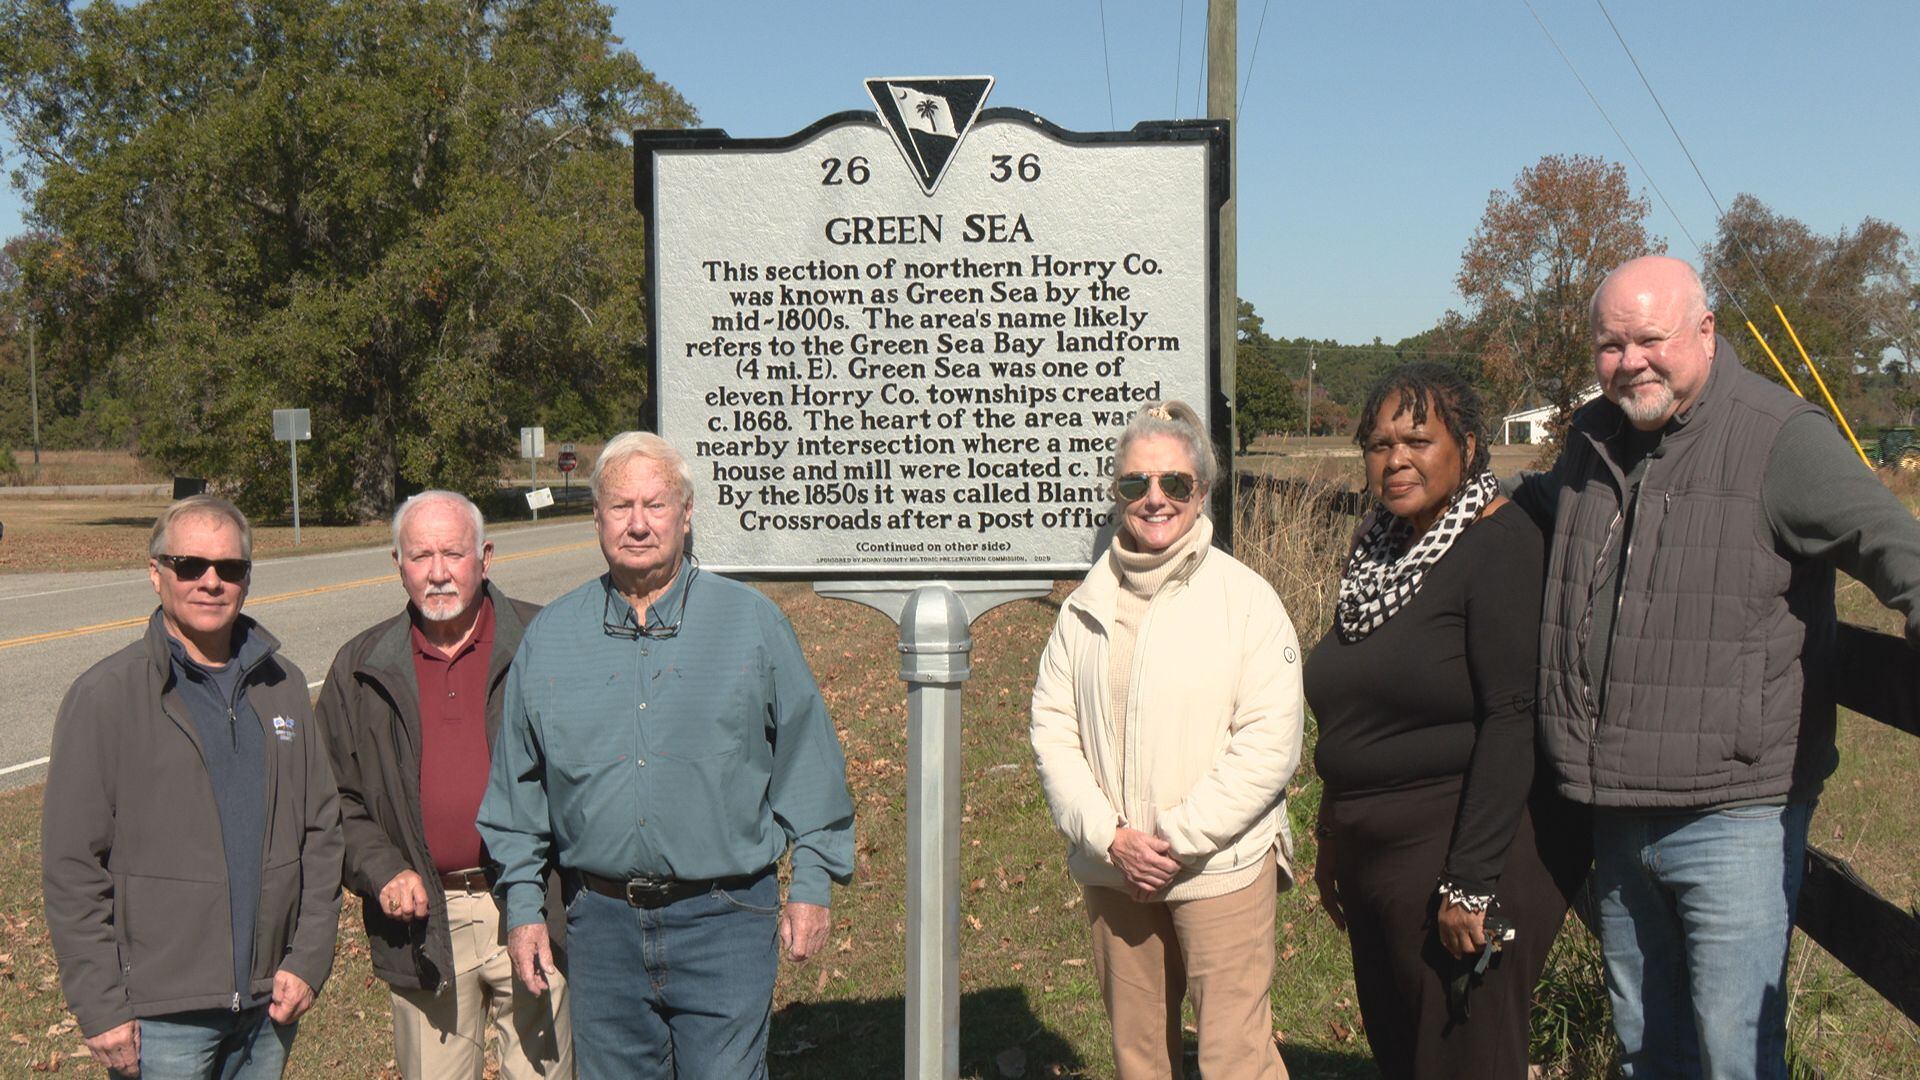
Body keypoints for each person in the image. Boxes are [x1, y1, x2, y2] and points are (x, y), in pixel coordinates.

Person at [1514, 255, 1920, 1078]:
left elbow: (1891, 539)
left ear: (1705, 331)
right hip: (1617, 803)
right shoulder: (1592, 439)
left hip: (1732, 816)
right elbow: (1547, 514)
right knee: (1647, 1048)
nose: (1631, 362)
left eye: (1650, 339)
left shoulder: (1778, 436)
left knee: (1734, 1053)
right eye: (1610, 345)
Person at [476, 431, 855, 1079]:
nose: (639, 524)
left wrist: (812, 883)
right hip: (599, 926)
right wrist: (522, 909)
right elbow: (517, 793)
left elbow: (807, 764)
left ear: (687, 514)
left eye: (656, 505)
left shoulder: (751, 623)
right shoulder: (552, 637)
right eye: (621, 507)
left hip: (725, 918)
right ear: (595, 518)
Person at [1304, 365, 1585, 1079]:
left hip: (1463, 855)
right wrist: (1333, 832)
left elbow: (1512, 715)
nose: (1395, 459)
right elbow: (1354, 716)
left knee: (1466, 1062)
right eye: (1379, 443)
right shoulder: (1380, 549)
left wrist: (1470, 884)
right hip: (1379, 860)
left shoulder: (1499, 546)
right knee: (1407, 1059)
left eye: (1418, 440)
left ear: (1466, 445)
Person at [1030, 400, 1303, 1080]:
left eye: (1174, 483)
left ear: (1201, 492)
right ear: (1117, 494)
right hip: (1116, 869)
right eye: (1136, 484)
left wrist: (1175, 840)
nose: (1155, 499)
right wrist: (1111, 836)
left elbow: (1268, 743)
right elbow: (1053, 729)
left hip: (1221, 869)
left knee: (1235, 1056)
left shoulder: (1247, 602)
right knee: (1141, 1055)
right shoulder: (1084, 608)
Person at [42, 495, 343, 1079]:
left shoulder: (281, 688)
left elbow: (321, 833)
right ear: (155, 574)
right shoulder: (107, 696)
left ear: (247, 580)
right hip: (160, 1018)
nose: (211, 582)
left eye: (229, 569)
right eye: (190, 565)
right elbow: (72, 866)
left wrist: (308, 959)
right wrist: (101, 1004)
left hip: (267, 1006)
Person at [315, 491, 573, 1079]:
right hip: (423, 923)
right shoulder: (360, 669)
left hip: (531, 903)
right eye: (419, 555)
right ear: (396, 564)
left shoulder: (546, 642)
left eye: (452, 554)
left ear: (484, 557)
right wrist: (381, 868)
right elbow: (332, 800)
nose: (436, 573)